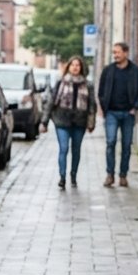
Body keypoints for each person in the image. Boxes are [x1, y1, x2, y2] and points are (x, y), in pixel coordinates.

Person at [42, 56, 97, 189]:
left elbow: (91, 105)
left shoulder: (88, 84)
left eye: (78, 65)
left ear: (82, 68)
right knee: (64, 148)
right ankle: (62, 177)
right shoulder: (61, 82)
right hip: (61, 120)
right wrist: (44, 121)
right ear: (68, 67)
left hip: (80, 121)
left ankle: (73, 175)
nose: (75, 67)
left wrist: (91, 122)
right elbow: (51, 101)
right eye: (72, 65)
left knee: (76, 150)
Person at [97, 41, 138, 187]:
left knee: (126, 145)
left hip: (128, 113)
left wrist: (135, 107)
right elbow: (101, 92)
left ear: (126, 53)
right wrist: (104, 108)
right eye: (114, 52)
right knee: (110, 142)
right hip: (111, 113)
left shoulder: (136, 71)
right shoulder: (108, 71)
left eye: (118, 52)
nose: (115, 55)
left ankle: (123, 175)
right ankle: (110, 174)